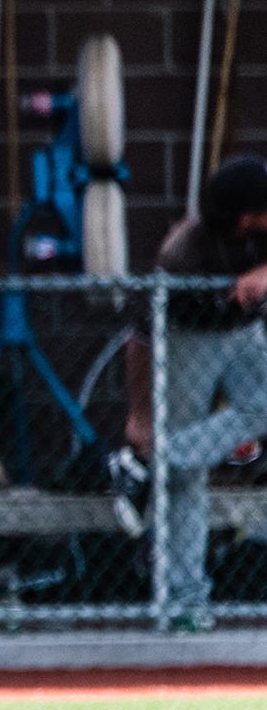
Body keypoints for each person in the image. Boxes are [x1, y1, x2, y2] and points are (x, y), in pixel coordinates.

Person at [114, 154, 267, 630]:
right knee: (188, 483)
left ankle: (152, 463)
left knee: (260, 406)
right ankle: (184, 599)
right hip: (186, 341)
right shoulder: (183, 253)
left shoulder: (259, 234)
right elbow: (139, 338)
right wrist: (140, 416)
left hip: (244, 335)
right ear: (245, 217)